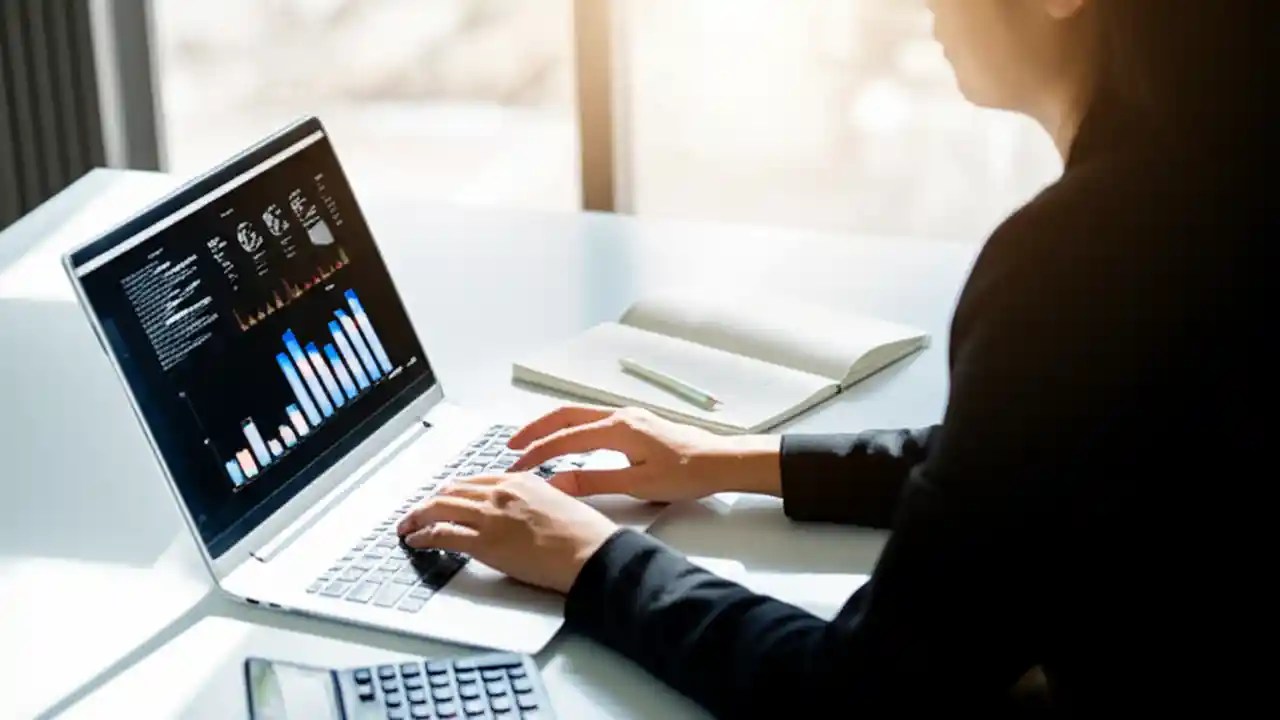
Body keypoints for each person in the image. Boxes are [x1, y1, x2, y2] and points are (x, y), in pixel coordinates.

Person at [398, 1, 1271, 716]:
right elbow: (1039, 465)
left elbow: (860, 695)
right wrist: (734, 461)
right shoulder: (1216, 189)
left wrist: (595, 561)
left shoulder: (1078, 265)